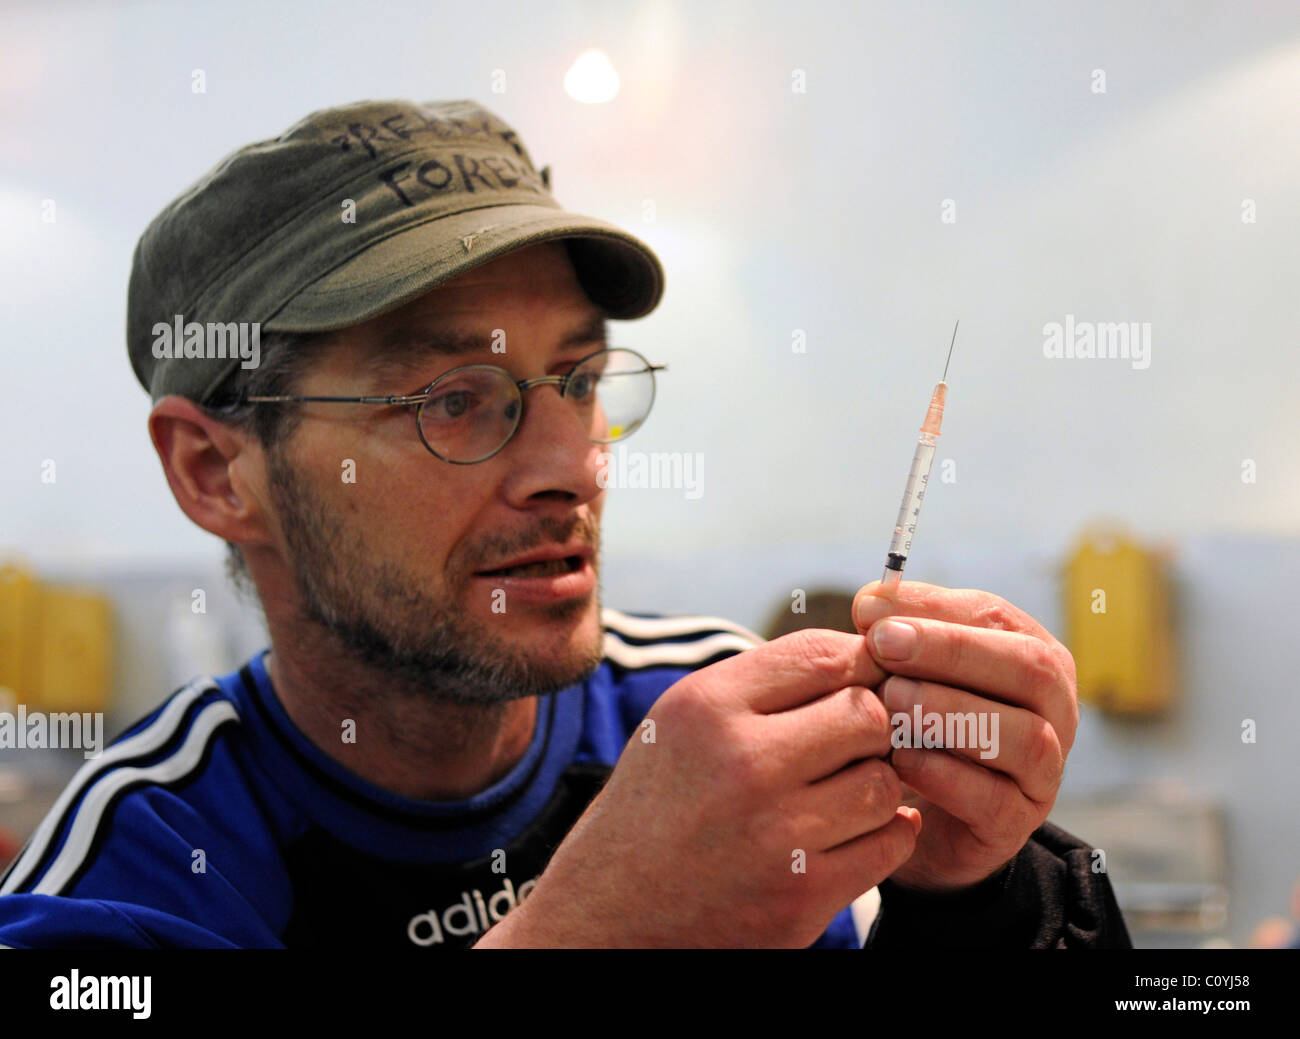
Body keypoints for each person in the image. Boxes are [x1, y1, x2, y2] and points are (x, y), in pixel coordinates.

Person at [0, 99, 1129, 948]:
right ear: (215, 471)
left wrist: (979, 894)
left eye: (581, 380)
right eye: (452, 399)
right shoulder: (126, 884)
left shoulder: (717, 727)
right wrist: (588, 928)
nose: (570, 467)